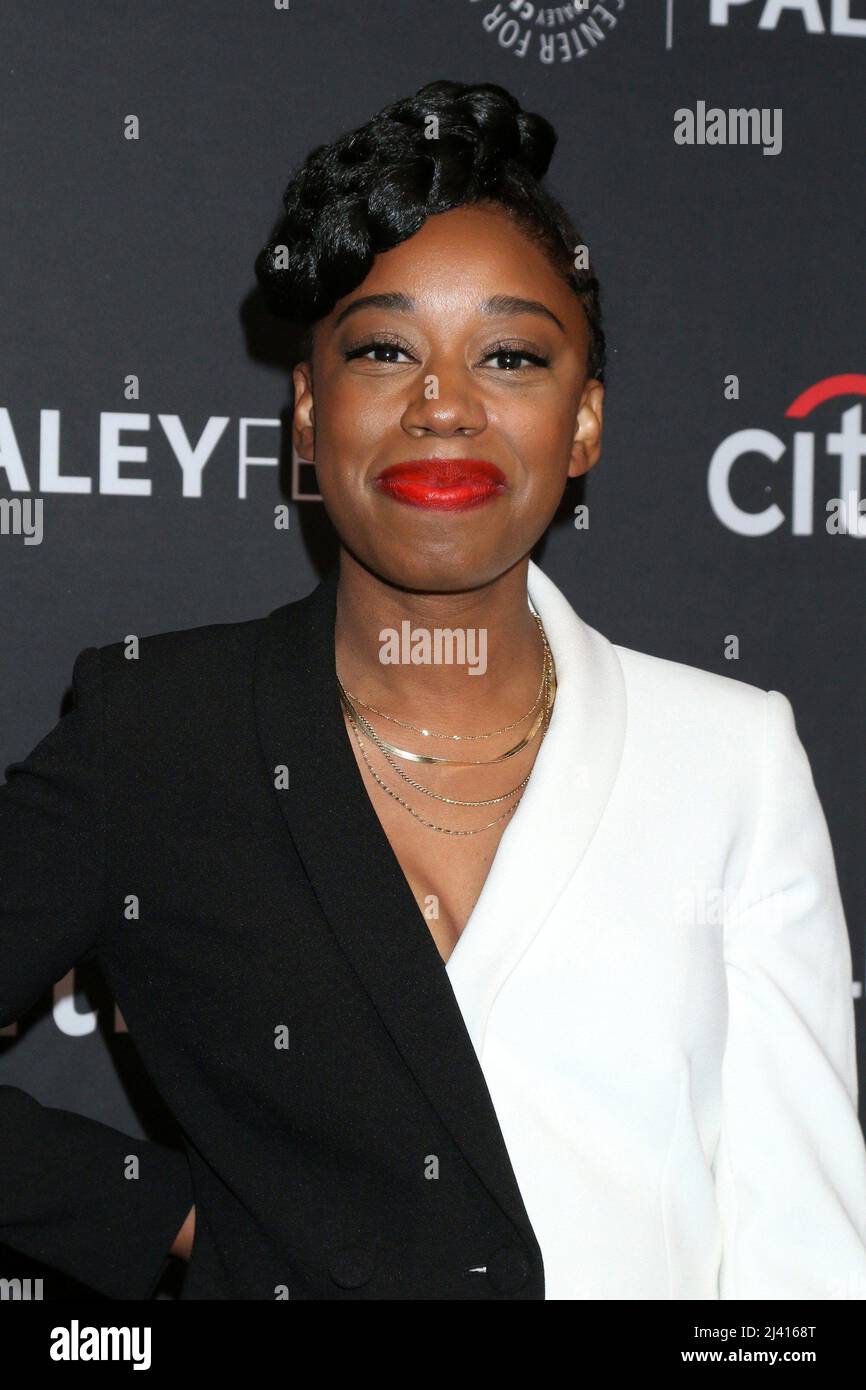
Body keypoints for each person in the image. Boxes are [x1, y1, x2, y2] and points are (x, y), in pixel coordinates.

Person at [2, 79, 865, 1301]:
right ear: (308, 414)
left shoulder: (730, 756)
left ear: (584, 425)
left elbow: (804, 1255)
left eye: (509, 354)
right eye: (381, 349)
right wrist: (178, 1216)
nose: (442, 404)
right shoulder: (159, 733)